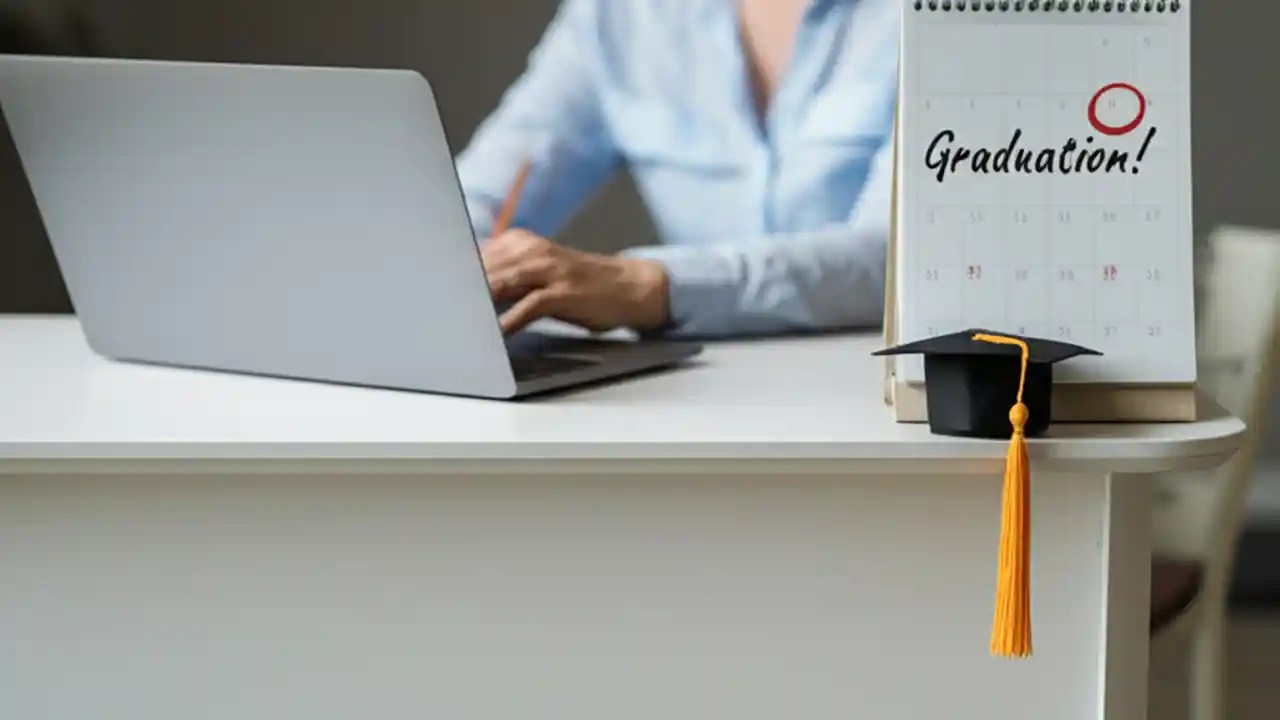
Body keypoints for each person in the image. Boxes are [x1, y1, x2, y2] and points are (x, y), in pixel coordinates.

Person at [457, 0, 898, 338]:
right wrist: (450, 264)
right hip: (695, 397)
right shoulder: (620, 15)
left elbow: (898, 258)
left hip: (875, 398)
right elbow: (476, 201)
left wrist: (649, 284)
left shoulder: (936, 17)